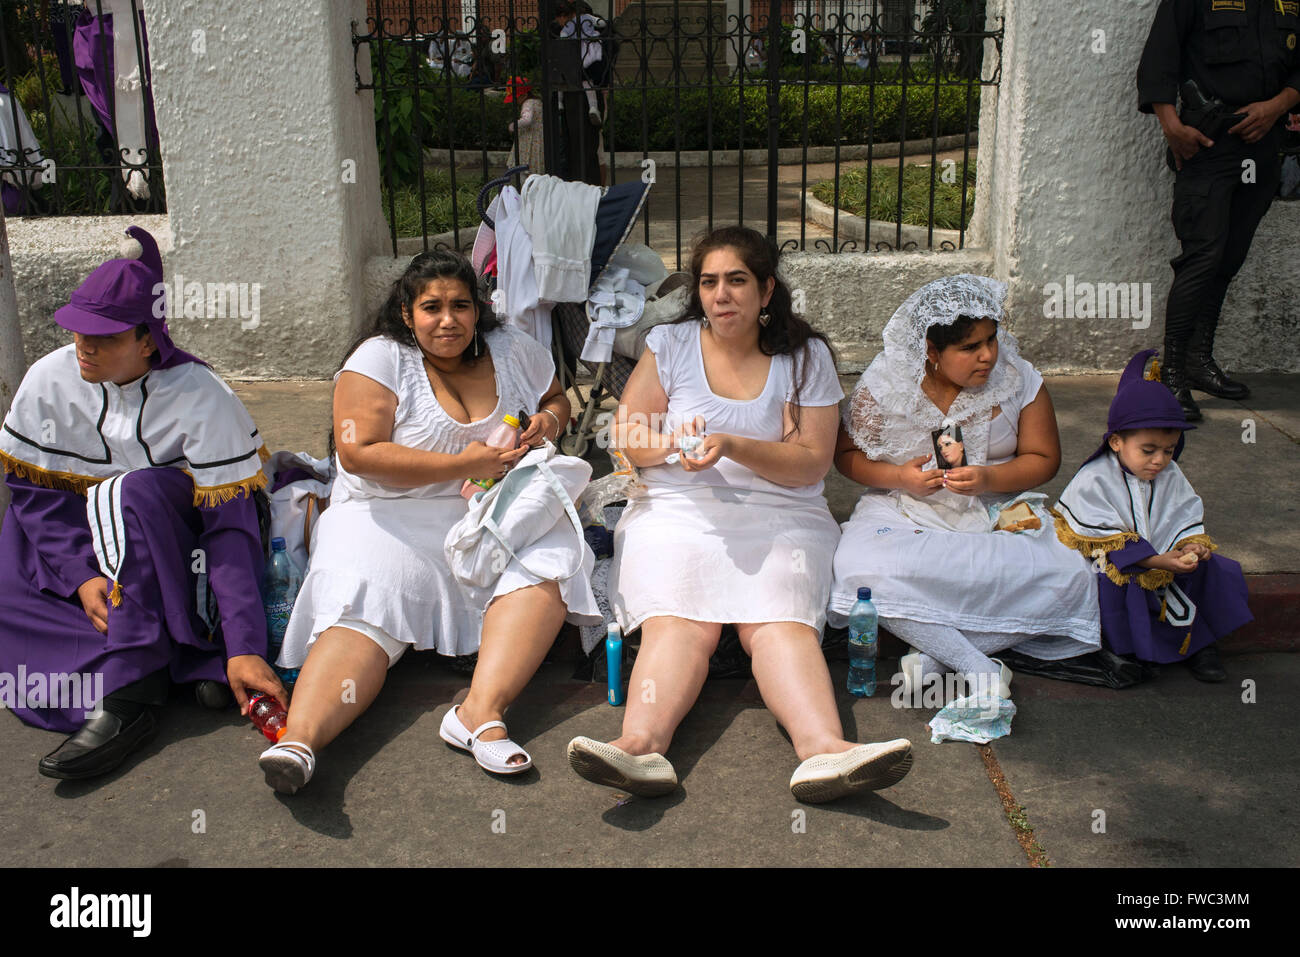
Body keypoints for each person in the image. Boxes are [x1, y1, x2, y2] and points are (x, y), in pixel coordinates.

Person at [566, 226, 914, 804]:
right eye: (708, 282)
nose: (721, 294)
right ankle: (638, 747)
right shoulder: (670, 344)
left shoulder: (805, 358)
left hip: (783, 511)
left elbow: (809, 465)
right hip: (677, 508)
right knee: (678, 620)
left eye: (736, 280)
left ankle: (825, 752)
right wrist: (677, 445)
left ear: (766, 289)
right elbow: (626, 434)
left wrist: (731, 443)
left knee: (778, 621)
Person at [258, 250, 600, 795]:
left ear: (478, 309)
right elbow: (358, 454)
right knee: (363, 607)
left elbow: (559, 400)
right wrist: (464, 463)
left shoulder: (511, 349)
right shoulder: (380, 358)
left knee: (547, 563)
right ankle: (297, 742)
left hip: (483, 511)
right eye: (432, 307)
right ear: (406, 311)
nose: (448, 320)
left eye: (460, 306)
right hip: (382, 514)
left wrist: (545, 420)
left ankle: (479, 716)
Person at [0, 225, 283, 779]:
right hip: (76, 548)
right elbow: (35, 500)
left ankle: (131, 695)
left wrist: (246, 644)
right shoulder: (47, 381)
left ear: (148, 339)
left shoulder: (201, 395)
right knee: (12, 587)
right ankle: (184, 660)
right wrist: (82, 577)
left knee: (132, 491)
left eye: (104, 336)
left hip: (176, 552)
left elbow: (229, 531)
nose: (84, 345)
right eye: (79, 330)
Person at [830, 275, 1100, 704]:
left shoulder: (1018, 379)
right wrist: (900, 478)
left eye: (991, 339)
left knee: (1071, 572)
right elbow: (844, 455)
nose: (988, 355)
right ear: (932, 352)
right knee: (857, 566)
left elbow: (1044, 458)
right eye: (970, 347)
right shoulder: (887, 383)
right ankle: (978, 665)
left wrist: (990, 478)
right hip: (903, 507)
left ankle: (942, 655)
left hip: (998, 507)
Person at [1137, 1, 1300, 420]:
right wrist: (1171, 125)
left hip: (1262, 144)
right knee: (1201, 257)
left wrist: (1276, 106)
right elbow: (1159, 60)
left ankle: (1198, 361)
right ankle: (1171, 372)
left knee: (1229, 257)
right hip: (1207, 144)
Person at [1053, 350, 1252, 683]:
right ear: (1116, 441)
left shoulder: (1170, 474)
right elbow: (1104, 541)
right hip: (1124, 562)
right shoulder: (1094, 479)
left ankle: (1199, 644)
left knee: (1210, 568)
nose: (1160, 460)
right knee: (1110, 579)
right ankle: (1131, 650)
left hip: (1165, 558)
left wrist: (1192, 547)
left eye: (1169, 449)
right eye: (1149, 450)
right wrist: (1155, 560)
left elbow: (1184, 514)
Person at [505, 76, 544, 175]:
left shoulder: (527, 104)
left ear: (525, 95)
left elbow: (527, 119)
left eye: (516, 97)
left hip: (529, 140)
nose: (514, 101)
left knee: (524, 169)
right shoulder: (538, 102)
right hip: (539, 139)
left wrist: (513, 125)